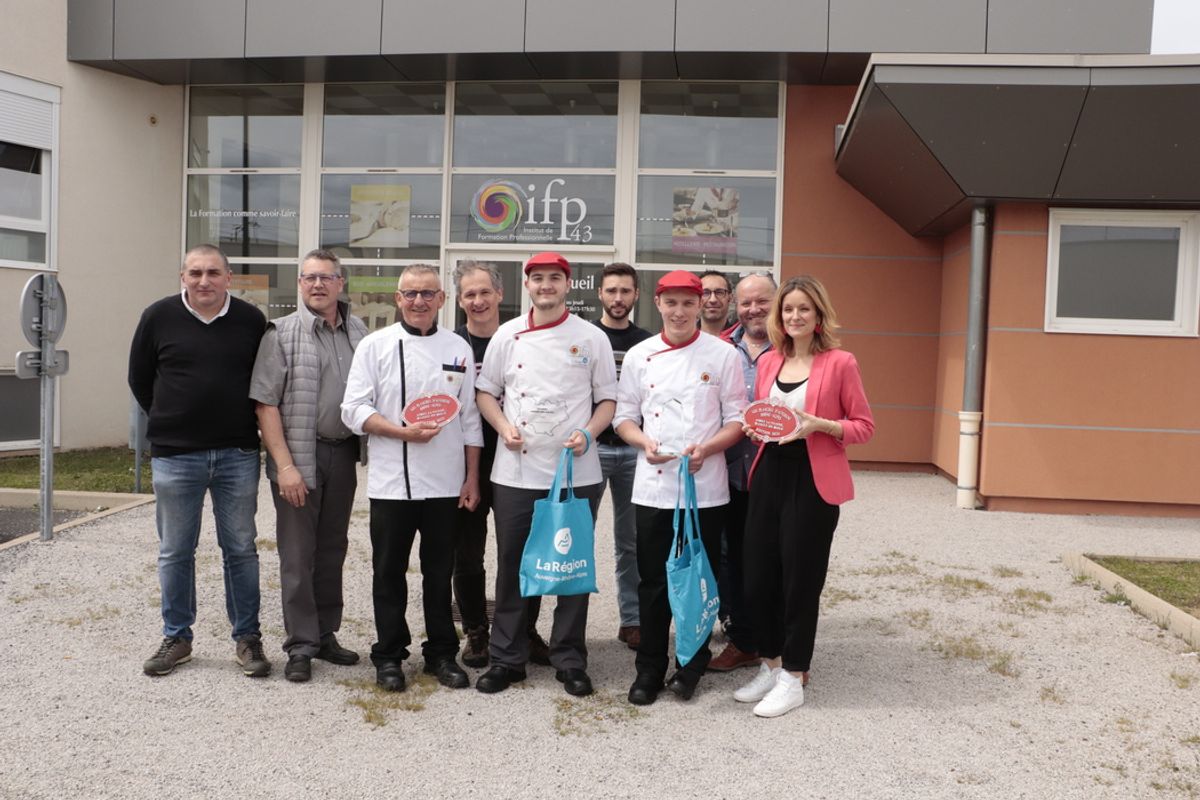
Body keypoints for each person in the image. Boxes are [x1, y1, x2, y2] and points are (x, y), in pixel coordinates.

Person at [474, 252, 617, 697]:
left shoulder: (590, 338)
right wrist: (503, 429)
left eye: (555, 278)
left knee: (571, 567)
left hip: (576, 472)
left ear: (567, 284)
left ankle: (569, 658)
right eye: (538, 278)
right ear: (527, 285)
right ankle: (507, 658)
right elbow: (485, 393)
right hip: (516, 471)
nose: (546, 285)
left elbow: (607, 402)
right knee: (514, 565)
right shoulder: (507, 334)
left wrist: (588, 434)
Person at [734, 275, 874, 717]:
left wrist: (821, 425)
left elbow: (863, 427)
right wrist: (755, 430)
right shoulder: (772, 362)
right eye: (788, 309)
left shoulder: (840, 362)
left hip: (813, 479)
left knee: (800, 580)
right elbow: (763, 420)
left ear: (818, 316)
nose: (794, 316)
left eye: (803, 310)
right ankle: (771, 664)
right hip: (770, 472)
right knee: (758, 577)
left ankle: (795, 675)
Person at [129, 244, 270, 678]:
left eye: (212, 273)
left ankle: (247, 638)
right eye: (195, 273)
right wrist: (174, 420)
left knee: (241, 549)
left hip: (237, 453)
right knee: (175, 551)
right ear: (182, 276)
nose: (203, 281)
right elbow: (140, 379)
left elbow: (264, 381)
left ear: (229, 278)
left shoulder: (251, 320)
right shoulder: (158, 317)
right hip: (176, 456)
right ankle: (177, 636)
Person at [341, 264, 483, 693]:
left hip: (444, 483)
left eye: (428, 294)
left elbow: (470, 418)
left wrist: (472, 477)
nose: (419, 301)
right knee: (388, 571)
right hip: (391, 484)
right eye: (410, 294)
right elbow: (352, 409)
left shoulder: (458, 347)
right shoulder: (375, 345)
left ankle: (441, 652)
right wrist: (400, 432)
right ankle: (389, 654)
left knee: (439, 572)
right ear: (397, 299)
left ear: (442, 300)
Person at [613, 270, 747, 705]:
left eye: (689, 302)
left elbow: (737, 420)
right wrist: (642, 442)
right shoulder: (639, 355)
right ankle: (649, 668)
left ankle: (691, 666)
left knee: (698, 582)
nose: (680, 310)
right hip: (653, 488)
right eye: (672, 302)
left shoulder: (722, 354)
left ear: (700, 305)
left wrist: (708, 448)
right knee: (652, 582)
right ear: (658, 303)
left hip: (704, 488)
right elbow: (624, 417)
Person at [249, 249, 367, 683]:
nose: (317, 285)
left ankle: (325, 633)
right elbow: (265, 404)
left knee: (333, 549)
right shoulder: (280, 333)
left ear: (340, 283)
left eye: (326, 278)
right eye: (308, 278)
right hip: (300, 454)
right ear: (300, 284)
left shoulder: (358, 331)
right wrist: (285, 466)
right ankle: (300, 645)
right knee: (298, 554)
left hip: (343, 452)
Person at [452, 260, 551, 669]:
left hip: (520, 459)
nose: (477, 301)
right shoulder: (450, 345)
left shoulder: (521, 340)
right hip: (463, 465)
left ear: (500, 295)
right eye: (469, 294)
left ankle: (523, 629)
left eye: (484, 293)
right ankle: (476, 631)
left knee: (525, 552)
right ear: (459, 301)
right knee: (467, 553)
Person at [710, 272, 777, 672]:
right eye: (747, 302)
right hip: (731, 472)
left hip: (777, 474)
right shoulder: (719, 348)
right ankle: (743, 640)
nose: (754, 309)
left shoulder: (794, 348)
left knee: (775, 560)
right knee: (732, 558)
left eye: (762, 301)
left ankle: (779, 644)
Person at [593, 263, 653, 650]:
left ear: (636, 296)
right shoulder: (586, 336)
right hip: (591, 450)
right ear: (600, 293)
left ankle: (632, 619)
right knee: (573, 535)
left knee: (631, 541)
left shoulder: (648, 342)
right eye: (611, 291)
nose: (618, 298)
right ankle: (570, 622)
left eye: (625, 291)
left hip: (633, 452)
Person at [699, 270, 733, 336]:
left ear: (730, 298)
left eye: (719, 292)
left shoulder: (742, 339)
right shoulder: (684, 338)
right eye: (705, 293)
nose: (713, 300)